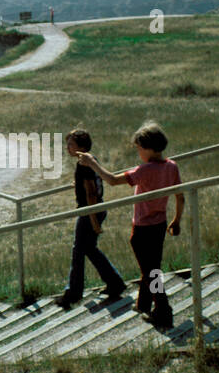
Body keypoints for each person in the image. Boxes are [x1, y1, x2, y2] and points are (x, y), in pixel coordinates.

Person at [78, 121, 183, 329]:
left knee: (151, 271)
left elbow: (112, 180)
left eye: (139, 148)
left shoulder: (144, 170)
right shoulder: (172, 166)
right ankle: (143, 304)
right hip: (160, 225)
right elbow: (180, 197)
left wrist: (92, 163)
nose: (138, 153)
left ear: (149, 148)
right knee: (152, 265)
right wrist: (177, 220)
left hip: (143, 228)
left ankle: (163, 311)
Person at [53, 128, 125, 309]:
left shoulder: (84, 163)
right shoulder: (89, 160)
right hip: (94, 210)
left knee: (79, 250)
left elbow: (91, 192)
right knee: (89, 249)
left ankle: (73, 293)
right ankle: (115, 282)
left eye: (71, 144)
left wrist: (93, 221)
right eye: (67, 144)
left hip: (90, 211)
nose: (67, 148)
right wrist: (77, 184)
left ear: (81, 147)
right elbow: (88, 184)